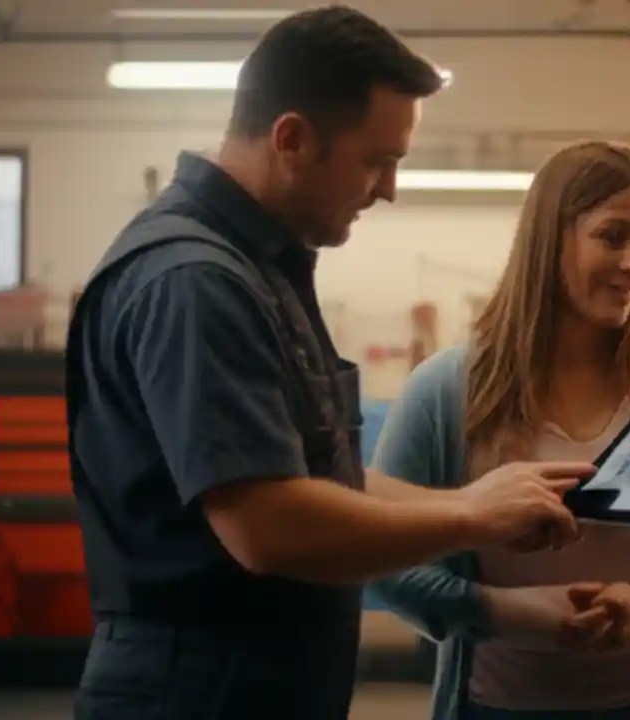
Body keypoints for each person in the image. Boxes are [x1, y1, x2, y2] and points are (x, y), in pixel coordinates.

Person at [65, 7, 588, 719]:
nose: (389, 189)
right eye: (378, 160)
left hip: (247, 684)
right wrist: (470, 517)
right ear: (292, 139)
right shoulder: (196, 282)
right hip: (197, 691)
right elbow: (268, 525)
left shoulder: (258, 270)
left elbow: (315, 480)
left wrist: (484, 501)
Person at [371, 141, 630, 720]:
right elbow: (385, 559)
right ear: (549, 238)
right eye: (613, 236)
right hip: (494, 708)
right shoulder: (445, 392)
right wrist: (498, 610)